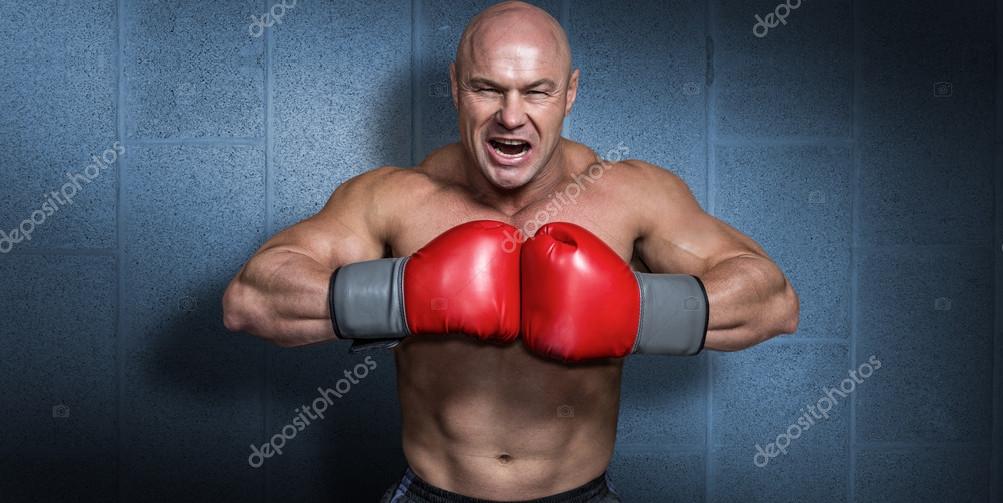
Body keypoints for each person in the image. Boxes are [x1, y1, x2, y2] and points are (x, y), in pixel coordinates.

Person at [222, 2, 799, 501]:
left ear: (570, 93)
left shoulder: (631, 195)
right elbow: (251, 300)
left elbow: (772, 303)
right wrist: (405, 296)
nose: (512, 115)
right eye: (488, 88)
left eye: (537, 91)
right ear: (455, 87)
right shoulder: (395, 198)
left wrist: (633, 308)